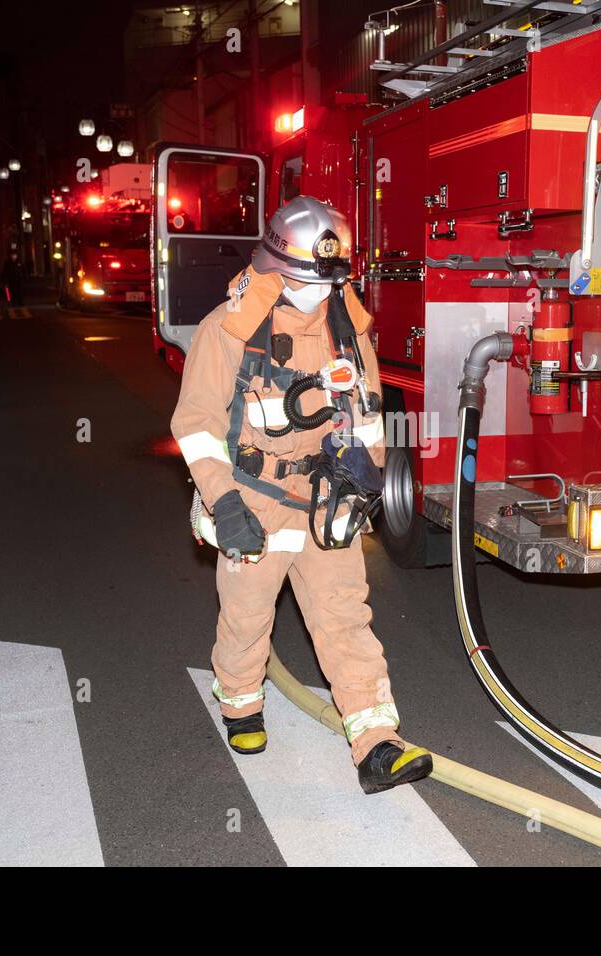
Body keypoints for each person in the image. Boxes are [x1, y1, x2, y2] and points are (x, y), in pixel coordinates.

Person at [170, 197, 433, 795]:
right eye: (309, 280)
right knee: (245, 619)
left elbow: (367, 413)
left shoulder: (347, 326)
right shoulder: (229, 330)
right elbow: (197, 424)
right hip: (252, 502)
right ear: (275, 265)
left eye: (330, 281)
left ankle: (376, 741)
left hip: (325, 502)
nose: (320, 292)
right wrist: (224, 503)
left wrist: (366, 479)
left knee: (345, 618)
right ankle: (240, 704)